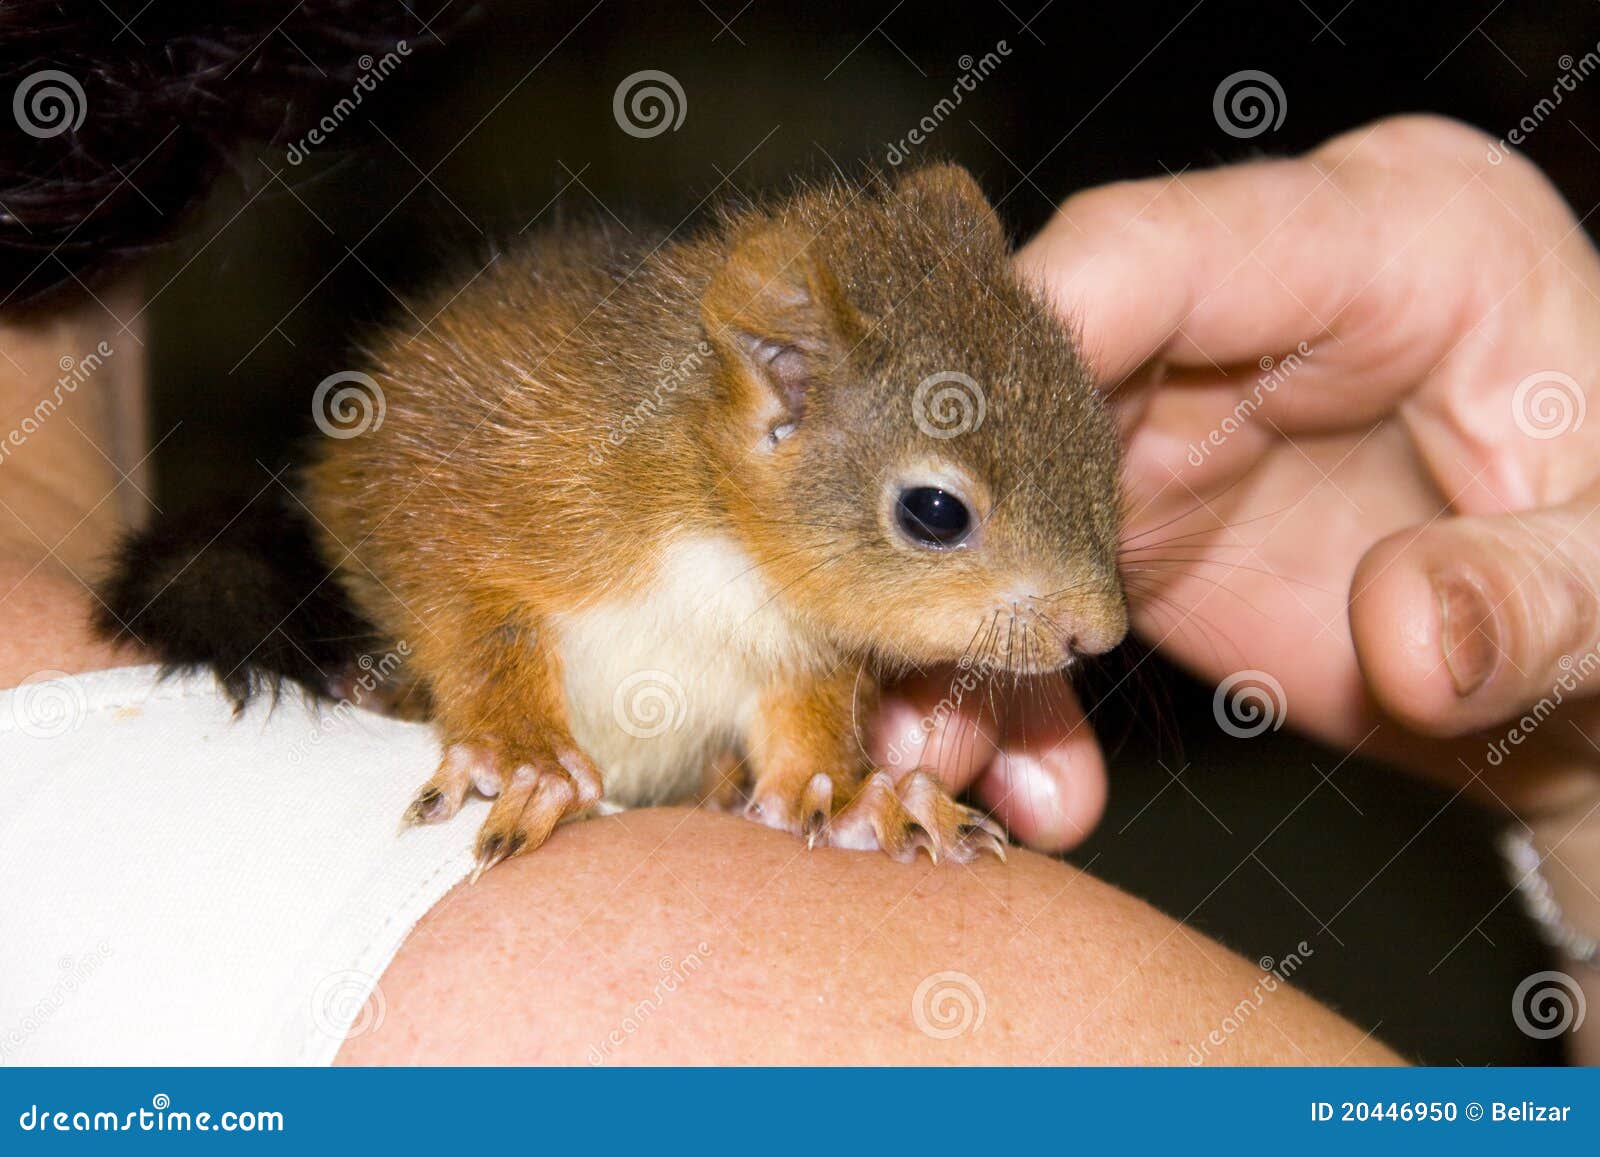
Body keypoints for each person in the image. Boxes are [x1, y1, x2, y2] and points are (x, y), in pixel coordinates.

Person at [0, 115, 1592, 1064]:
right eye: (940, 517)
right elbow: (428, 500)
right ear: (773, 399)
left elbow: (794, 670)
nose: (1098, 627)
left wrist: (821, 776)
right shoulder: (571, 460)